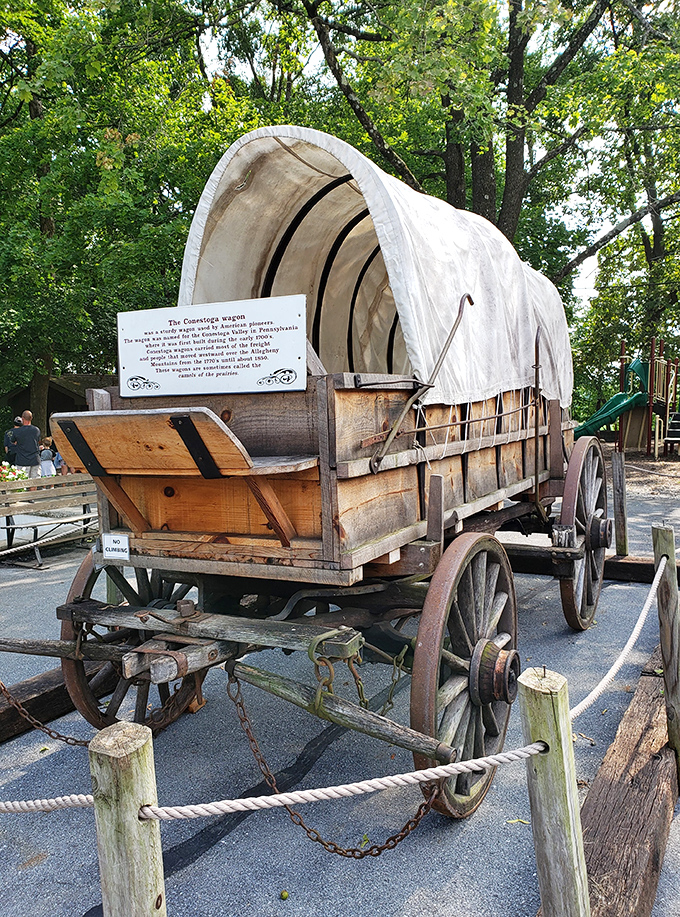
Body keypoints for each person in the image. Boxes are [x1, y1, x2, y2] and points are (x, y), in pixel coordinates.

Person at [11, 410, 41, 479]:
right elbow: (38, 441)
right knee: (35, 483)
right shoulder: (36, 430)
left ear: (22, 418)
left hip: (22, 461)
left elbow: (13, 441)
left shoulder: (17, 431)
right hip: (35, 460)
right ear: (31, 418)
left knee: (22, 483)